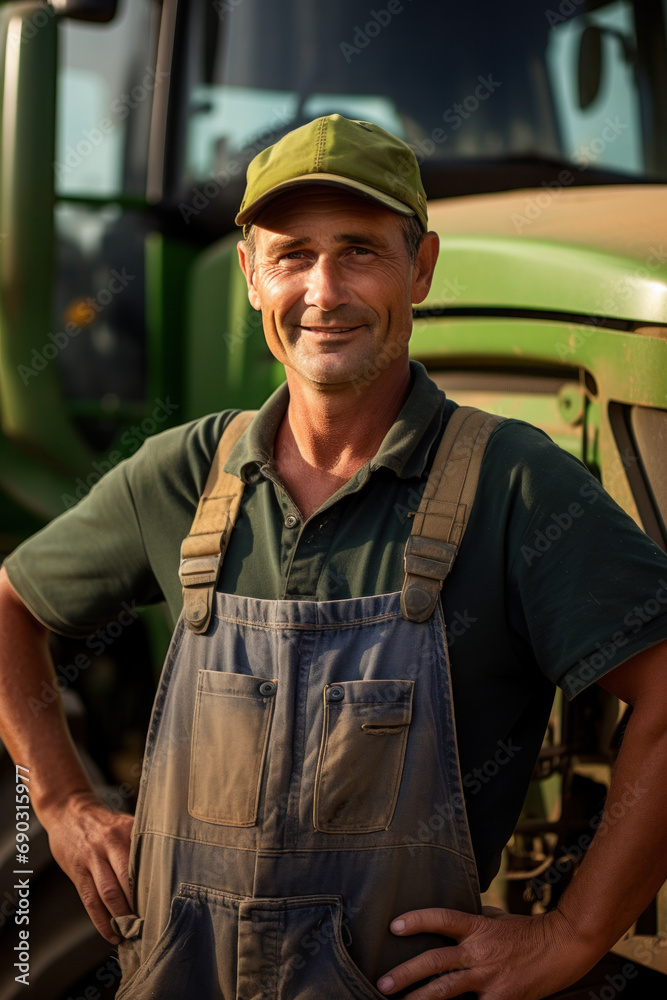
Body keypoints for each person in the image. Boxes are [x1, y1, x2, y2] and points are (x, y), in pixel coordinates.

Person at [1, 114, 666, 1000]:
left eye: (359, 250)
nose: (324, 290)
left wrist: (574, 933)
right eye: (291, 255)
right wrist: (60, 804)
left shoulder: (512, 484)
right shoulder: (185, 475)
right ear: (248, 274)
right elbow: (12, 605)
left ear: (420, 267)